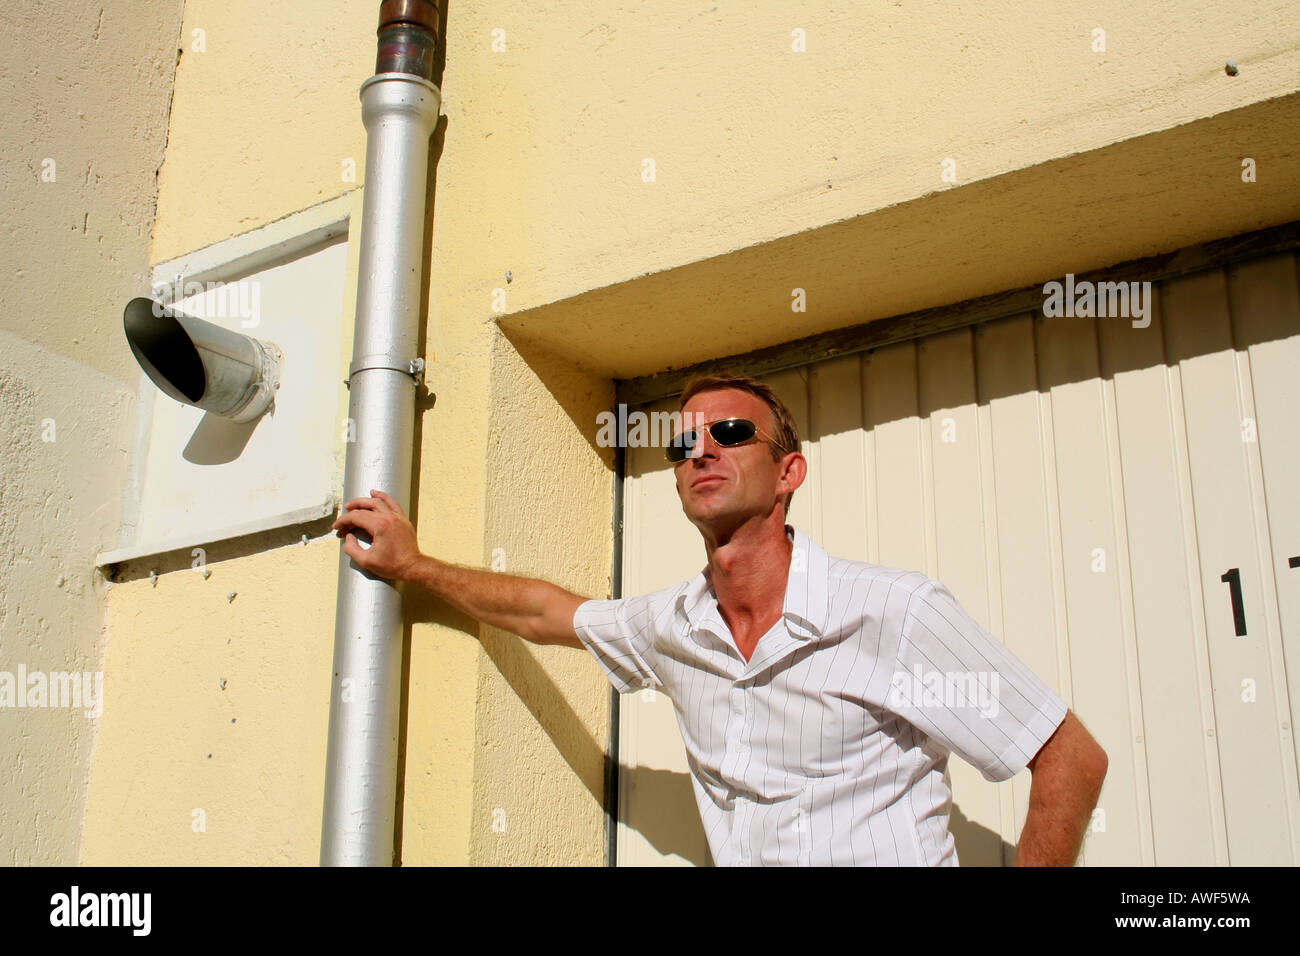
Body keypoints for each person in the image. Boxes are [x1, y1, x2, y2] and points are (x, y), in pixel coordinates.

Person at [331, 372, 1108, 866]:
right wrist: (415, 566)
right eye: (682, 442)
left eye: (731, 434)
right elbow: (546, 613)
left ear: (787, 472)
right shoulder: (674, 625)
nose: (701, 450)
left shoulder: (894, 611)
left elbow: (1069, 756)